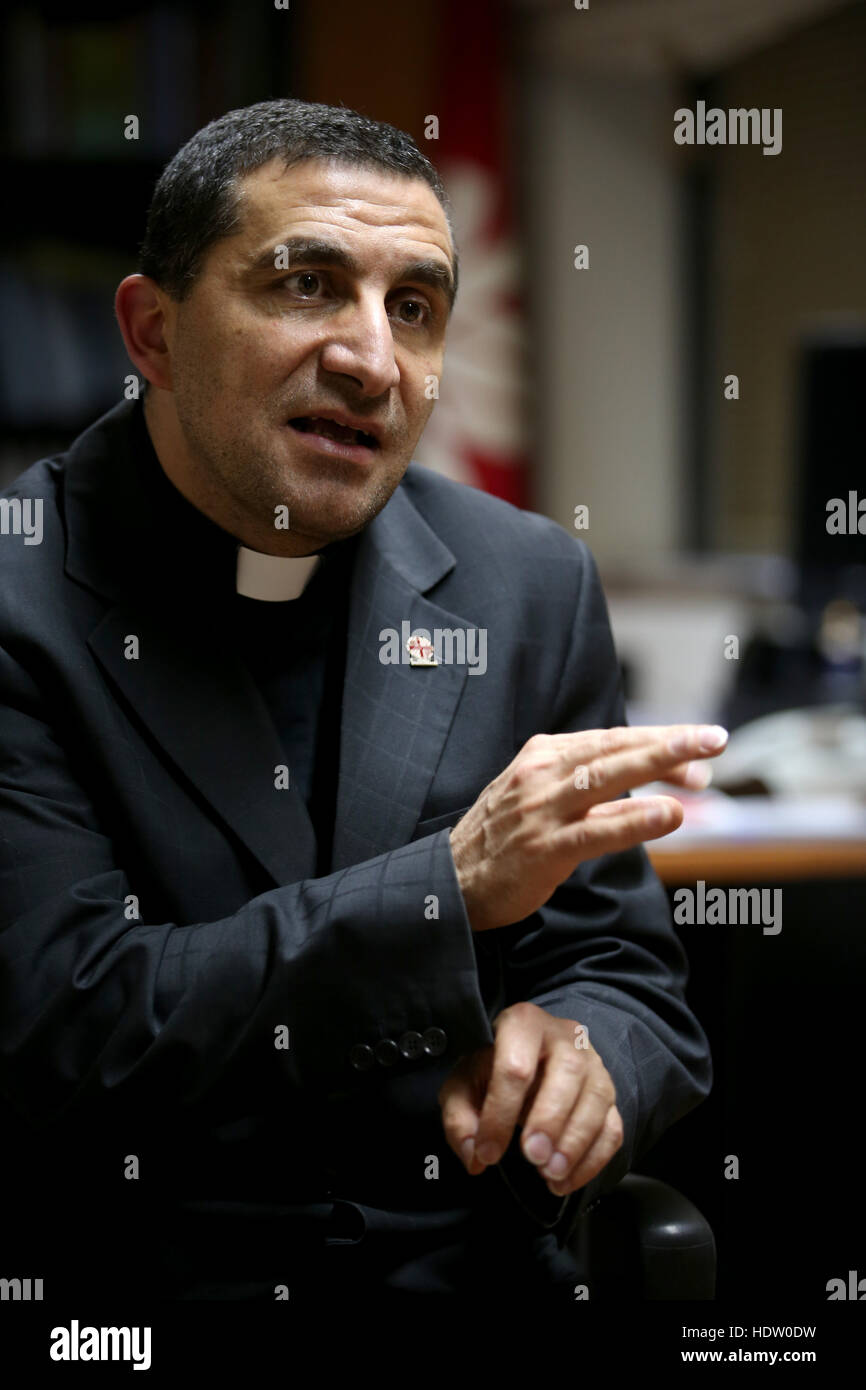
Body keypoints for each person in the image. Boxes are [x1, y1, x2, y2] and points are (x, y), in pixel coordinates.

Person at [0, 98, 720, 1305]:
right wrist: (442, 895)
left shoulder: (527, 584)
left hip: (469, 1271)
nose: (371, 358)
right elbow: (64, 1026)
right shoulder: (21, 602)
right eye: (304, 285)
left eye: (416, 308)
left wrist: (588, 1054)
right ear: (153, 331)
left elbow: (622, 970)